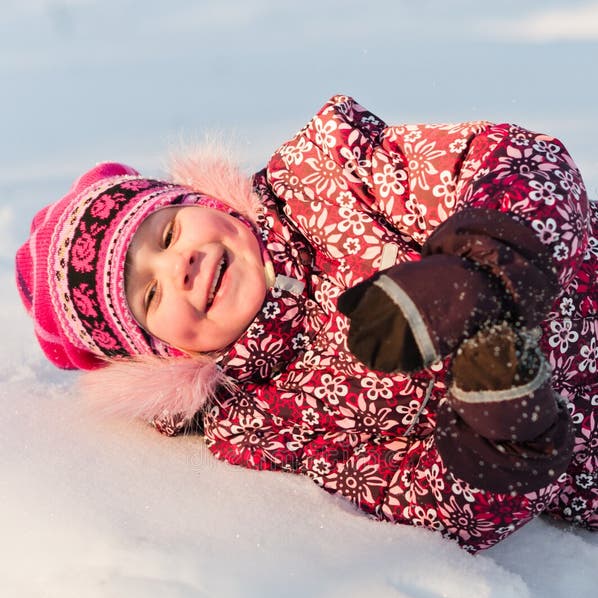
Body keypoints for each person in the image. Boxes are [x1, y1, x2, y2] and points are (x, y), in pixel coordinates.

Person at [15, 94, 598, 552]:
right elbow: (435, 503)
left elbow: (515, 160)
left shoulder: (332, 178)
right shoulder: (268, 422)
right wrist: (504, 427)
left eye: (167, 233)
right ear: (165, 354)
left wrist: (478, 269)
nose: (180, 264)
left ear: (204, 202)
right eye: (148, 294)